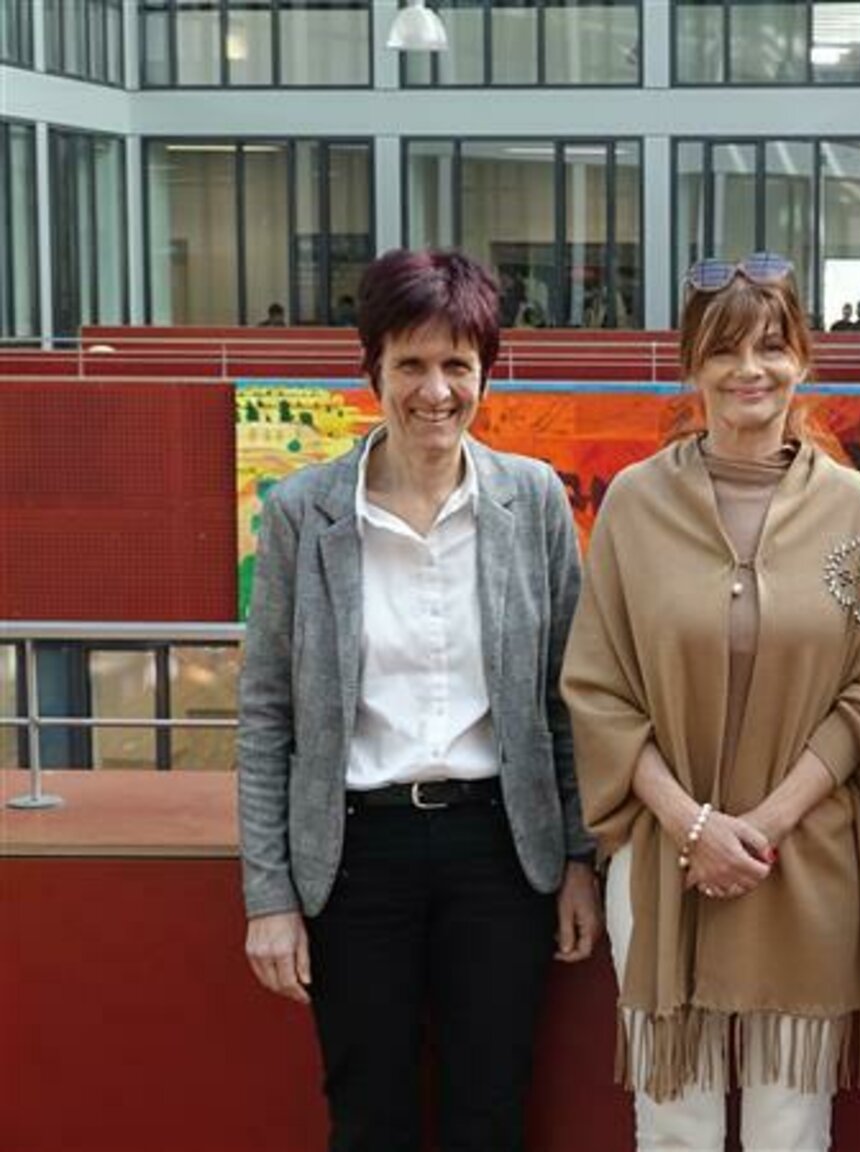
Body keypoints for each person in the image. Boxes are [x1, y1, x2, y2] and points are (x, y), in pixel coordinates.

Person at [237, 248, 601, 1152]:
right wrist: (268, 894)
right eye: (410, 364)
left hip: (499, 852)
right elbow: (266, 714)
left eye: (456, 366)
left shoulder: (532, 501)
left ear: (485, 373)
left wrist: (580, 858)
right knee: (370, 1112)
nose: (434, 391)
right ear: (373, 372)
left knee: (492, 1104)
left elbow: (570, 696)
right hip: (357, 853)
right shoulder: (302, 512)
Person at [563, 250, 860, 1152]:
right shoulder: (636, 506)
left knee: (789, 1126)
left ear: (803, 358)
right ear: (690, 366)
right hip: (664, 858)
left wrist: (765, 822)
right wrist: (692, 827)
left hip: (803, 858)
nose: (749, 370)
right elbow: (597, 691)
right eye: (725, 350)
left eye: (771, 346)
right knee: (671, 1123)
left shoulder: (850, 509)